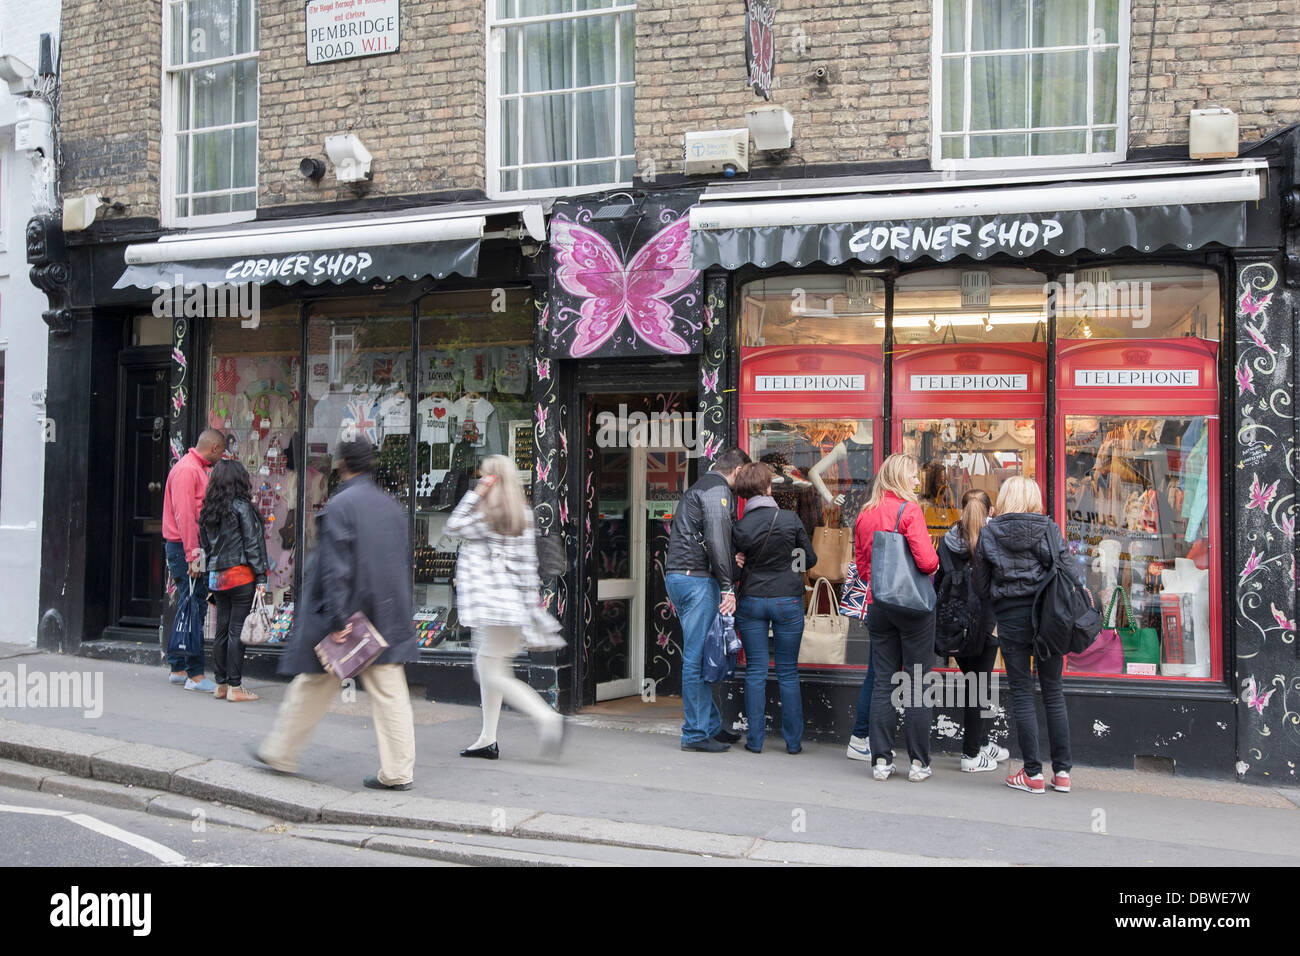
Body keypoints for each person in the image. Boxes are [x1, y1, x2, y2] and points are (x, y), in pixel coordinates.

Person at [252, 439, 419, 790]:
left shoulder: (340, 504)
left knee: (313, 682)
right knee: (390, 693)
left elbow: (335, 567)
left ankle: (281, 752)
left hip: (351, 617)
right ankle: (399, 770)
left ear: (342, 464)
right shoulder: (391, 506)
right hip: (386, 614)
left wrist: (339, 617)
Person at [446, 455, 564, 760]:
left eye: (484, 477)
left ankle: (547, 718)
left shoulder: (486, 516)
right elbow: (527, 569)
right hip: (513, 608)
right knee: (496, 670)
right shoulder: (522, 516)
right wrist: (529, 611)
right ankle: (487, 738)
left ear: (492, 481)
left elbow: (453, 525)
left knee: (491, 673)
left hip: (492, 609)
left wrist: (476, 493)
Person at [972, 475, 1074, 794]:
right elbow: (1069, 572)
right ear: (1033, 497)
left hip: (1012, 617)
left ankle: (1032, 773)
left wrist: (1002, 600)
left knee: (1021, 691)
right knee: (1053, 691)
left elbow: (980, 584)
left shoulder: (990, 533)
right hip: (1048, 616)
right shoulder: (1049, 528)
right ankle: (1062, 773)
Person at [853, 453, 940, 782]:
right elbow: (929, 562)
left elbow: (863, 568)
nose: (918, 482)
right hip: (914, 608)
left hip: (880, 605)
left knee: (883, 683)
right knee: (917, 682)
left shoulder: (866, 515)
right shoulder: (910, 510)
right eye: (914, 476)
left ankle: (881, 762)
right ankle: (918, 763)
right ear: (901, 479)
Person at [664, 445, 751, 752]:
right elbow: (715, 537)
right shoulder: (717, 491)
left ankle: (710, 725)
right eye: (746, 477)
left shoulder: (703, 486)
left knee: (701, 655)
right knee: (697, 657)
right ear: (738, 471)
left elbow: (713, 540)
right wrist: (728, 586)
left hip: (688, 577)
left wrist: (729, 562)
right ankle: (696, 733)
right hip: (696, 580)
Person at [732, 462, 815, 754]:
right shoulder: (789, 520)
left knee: (755, 670)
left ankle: (755, 741)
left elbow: (734, 566)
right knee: (787, 672)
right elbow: (810, 560)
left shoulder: (740, 526)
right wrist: (790, 567)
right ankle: (793, 743)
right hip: (787, 602)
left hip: (752, 601)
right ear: (768, 488)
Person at [934, 488, 1010, 772]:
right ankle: (971, 755)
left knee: (973, 683)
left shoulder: (947, 540)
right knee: (978, 689)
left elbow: (938, 578)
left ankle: (981, 741)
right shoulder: (994, 540)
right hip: (986, 624)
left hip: (955, 622)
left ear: (961, 508)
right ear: (991, 511)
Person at [198, 459, 269, 702]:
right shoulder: (241, 507)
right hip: (240, 576)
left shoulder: (208, 510)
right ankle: (235, 687)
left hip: (217, 578)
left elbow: (205, 547)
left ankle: (221, 684)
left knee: (221, 630)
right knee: (237, 631)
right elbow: (253, 543)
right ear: (240, 480)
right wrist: (261, 576)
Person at [161, 428, 225, 692]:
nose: (223, 456)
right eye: (222, 451)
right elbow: (186, 516)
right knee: (196, 608)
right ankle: (195, 675)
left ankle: (177, 667)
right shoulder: (189, 471)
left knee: (187, 605)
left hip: (185, 548)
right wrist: (194, 555)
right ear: (214, 448)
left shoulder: (191, 468)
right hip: (186, 548)